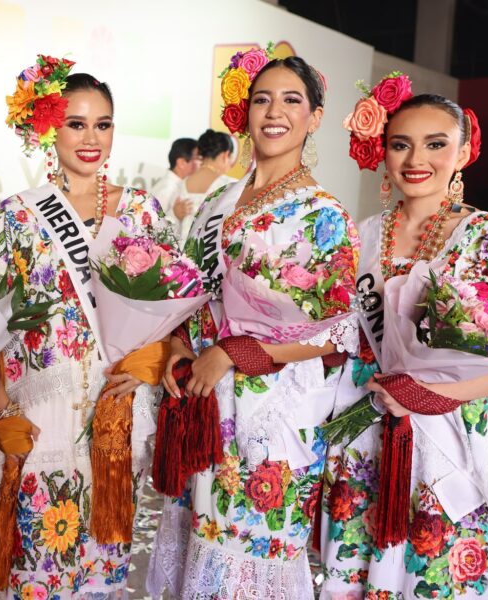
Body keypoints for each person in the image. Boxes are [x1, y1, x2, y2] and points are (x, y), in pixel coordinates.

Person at [319, 80, 488, 599]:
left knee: (435, 576)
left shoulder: (487, 236)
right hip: (373, 434)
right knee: (356, 573)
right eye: (401, 144)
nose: (416, 158)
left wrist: (444, 394)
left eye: (436, 143)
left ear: (463, 152)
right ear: (384, 152)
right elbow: (343, 336)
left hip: (456, 442)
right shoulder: (363, 235)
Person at [147, 49, 360, 599]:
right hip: (208, 401)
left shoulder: (323, 213)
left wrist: (236, 353)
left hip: (276, 414)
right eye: (262, 98)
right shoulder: (218, 198)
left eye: (292, 100)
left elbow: (336, 332)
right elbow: (187, 293)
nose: (274, 110)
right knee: (204, 542)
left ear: (314, 117)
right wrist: (176, 345)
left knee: (252, 552)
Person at [0, 56, 175, 598]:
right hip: (41, 415)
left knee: (102, 570)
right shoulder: (18, 216)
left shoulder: (142, 211)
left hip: (116, 413)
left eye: (103, 124)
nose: (91, 138)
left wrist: (151, 362)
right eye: (76, 124)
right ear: (49, 131)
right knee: (39, 567)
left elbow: (180, 309)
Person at [178, 129, 236, 241]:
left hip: (182, 251)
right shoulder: (230, 184)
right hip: (211, 251)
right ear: (226, 155)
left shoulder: (183, 183)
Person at [150, 137, 200, 235]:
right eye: (198, 158)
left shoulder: (180, 186)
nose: (201, 163)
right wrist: (174, 215)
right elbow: (151, 230)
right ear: (181, 163)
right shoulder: (167, 189)